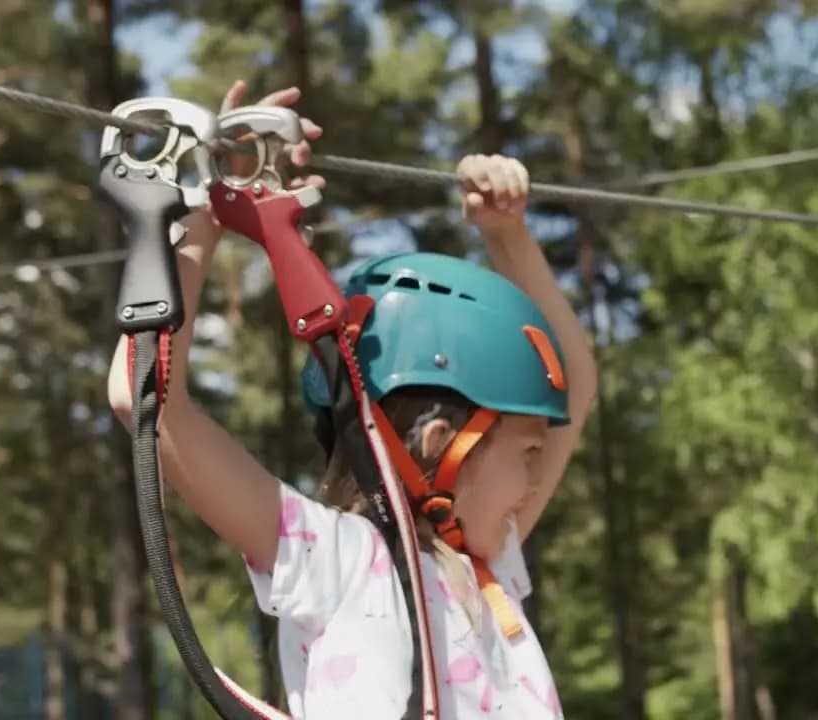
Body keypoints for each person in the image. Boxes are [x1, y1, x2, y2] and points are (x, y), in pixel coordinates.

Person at [107, 80, 597, 719]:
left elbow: (574, 385)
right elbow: (144, 397)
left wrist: (508, 237)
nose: (538, 477)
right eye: (528, 451)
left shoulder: (489, 567)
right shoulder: (334, 560)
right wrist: (205, 206)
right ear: (442, 446)